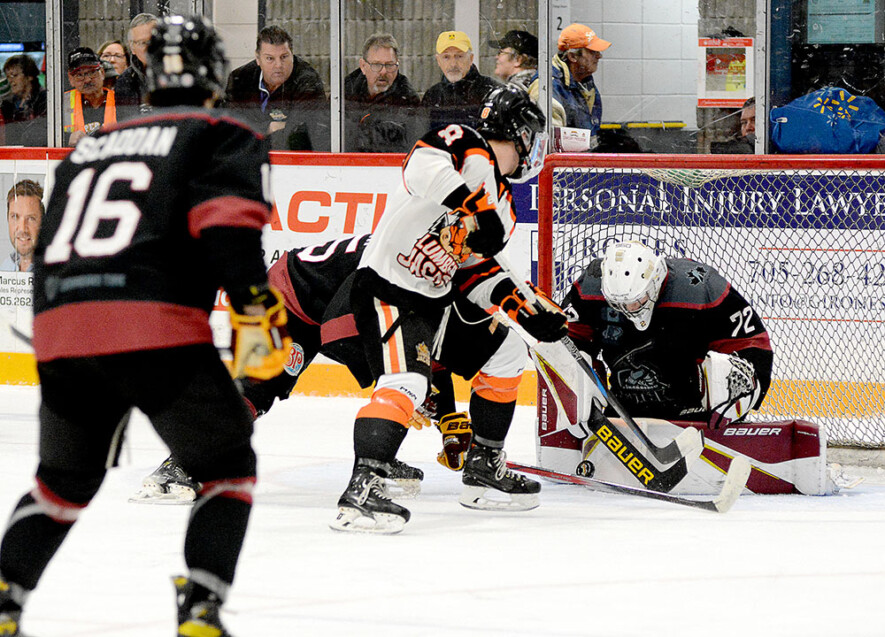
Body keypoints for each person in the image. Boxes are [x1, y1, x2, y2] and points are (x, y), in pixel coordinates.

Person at [0, 15, 291, 637]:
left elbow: (49, 254)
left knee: (62, 484)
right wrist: (257, 314)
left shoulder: (87, 148)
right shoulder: (221, 133)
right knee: (228, 467)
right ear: (215, 74)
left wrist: (55, 338)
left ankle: (3, 601)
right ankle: (201, 610)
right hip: (155, 326)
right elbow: (227, 234)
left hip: (63, 329)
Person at [329, 85, 566, 534]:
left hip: (436, 300)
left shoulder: (505, 205)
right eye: (533, 136)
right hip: (389, 288)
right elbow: (420, 166)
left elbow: (475, 273)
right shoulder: (465, 143)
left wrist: (525, 310)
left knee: (508, 352)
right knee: (407, 383)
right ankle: (362, 490)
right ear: (520, 134)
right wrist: (474, 206)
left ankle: (484, 467)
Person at [562, 240, 773, 429]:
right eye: (619, 305)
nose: (629, 310)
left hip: (696, 416)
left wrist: (746, 388)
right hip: (623, 412)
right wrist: (575, 397)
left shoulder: (702, 288)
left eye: (637, 301)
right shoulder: (589, 288)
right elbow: (570, 341)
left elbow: (751, 343)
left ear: (654, 282)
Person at [224, 25, 327, 150]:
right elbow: (228, 129)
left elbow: (300, 137)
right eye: (270, 58)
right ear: (258, 59)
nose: (278, 65)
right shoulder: (239, 78)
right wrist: (269, 127)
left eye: (284, 57)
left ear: (292, 55)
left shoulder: (308, 82)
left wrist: (253, 130)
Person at [343, 33, 423, 153]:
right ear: (363, 66)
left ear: (397, 65)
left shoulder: (408, 100)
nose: (383, 71)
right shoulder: (343, 93)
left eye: (389, 65)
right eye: (376, 65)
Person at [530, 23, 610, 134]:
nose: (599, 56)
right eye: (592, 52)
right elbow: (549, 139)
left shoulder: (585, 83)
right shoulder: (547, 88)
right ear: (572, 56)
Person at [421, 30, 501, 130]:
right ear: (438, 61)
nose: (453, 64)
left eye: (459, 56)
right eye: (446, 57)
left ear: (471, 58)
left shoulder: (492, 92)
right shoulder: (432, 96)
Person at [63, 47, 116, 147]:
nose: (87, 80)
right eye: (79, 75)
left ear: (102, 73)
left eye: (92, 72)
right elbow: (36, 133)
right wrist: (66, 138)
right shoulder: (60, 103)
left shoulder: (120, 99)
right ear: (71, 79)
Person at [114, 13, 157, 116]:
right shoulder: (126, 81)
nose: (149, 48)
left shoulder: (181, 72)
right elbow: (127, 122)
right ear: (132, 47)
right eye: (142, 43)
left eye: (153, 41)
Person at [0, 54, 47, 146]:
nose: (10, 81)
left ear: (29, 76)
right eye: (8, 77)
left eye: (14, 75)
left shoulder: (44, 99)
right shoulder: (8, 104)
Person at [1, 179, 43, 272]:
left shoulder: (55, 272)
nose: (22, 228)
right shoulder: (6, 266)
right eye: (15, 217)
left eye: (31, 218)